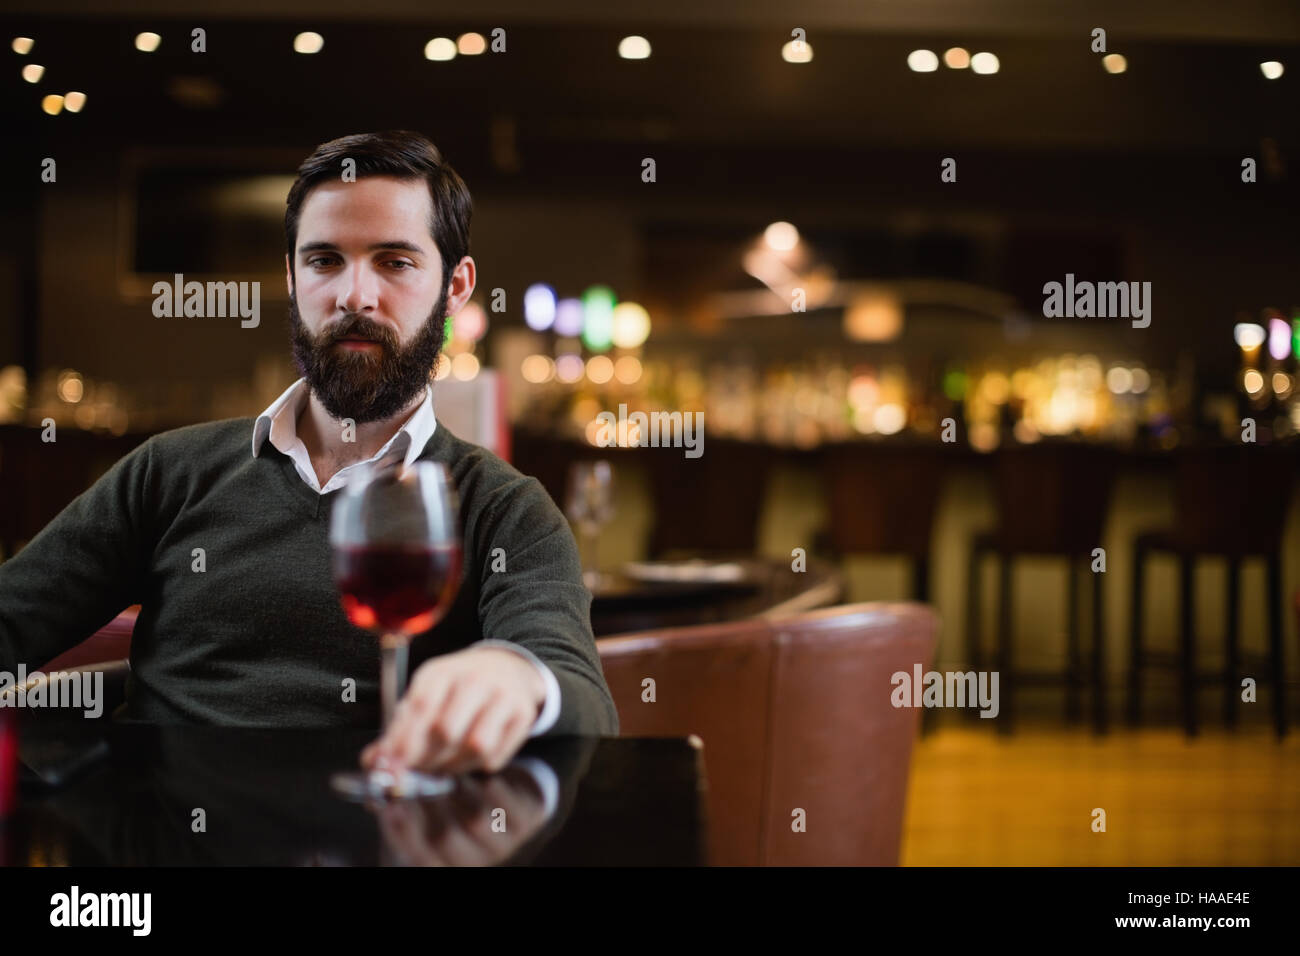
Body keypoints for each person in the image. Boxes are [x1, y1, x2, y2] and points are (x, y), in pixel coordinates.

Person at [0, 130, 618, 775]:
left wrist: (516, 678)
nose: (355, 296)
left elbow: (579, 696)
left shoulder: (504, 508)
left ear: (456, 287)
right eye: (324, 260)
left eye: (395, 262)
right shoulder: (169, 471)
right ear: (292, 277)